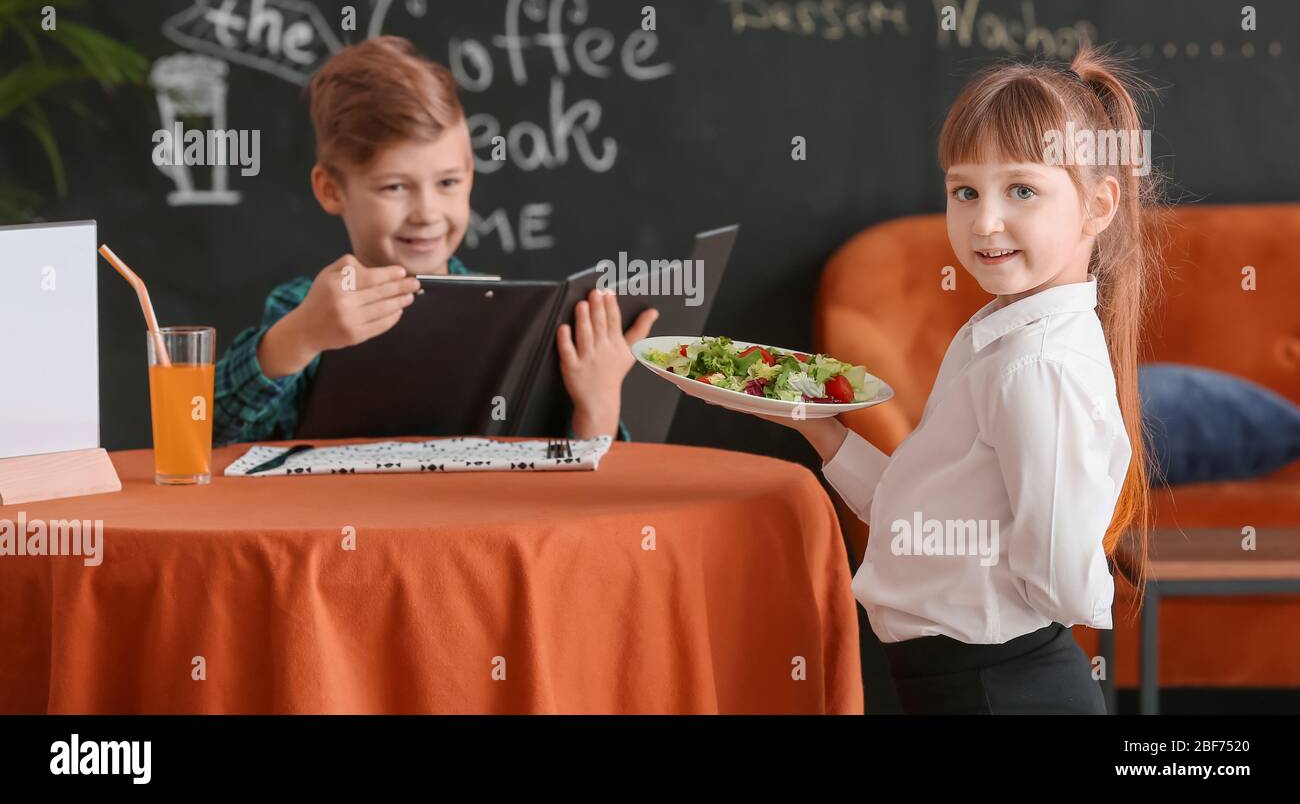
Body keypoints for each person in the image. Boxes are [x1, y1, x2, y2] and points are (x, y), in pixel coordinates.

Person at [749, 44, 1163, 713]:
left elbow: (1060, 583)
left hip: (1002, 689)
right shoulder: (999, 336)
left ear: (1097, 206)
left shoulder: (1035, 366)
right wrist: (824, 433)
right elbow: (923, 516)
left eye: (1021, 190)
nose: (985, 220)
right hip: (961, 685)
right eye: (965, 191)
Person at [212, 36, 657, 445]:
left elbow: (575, 498)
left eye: (446, 182)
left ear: (469, 178)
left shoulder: (514, 319)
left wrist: (597, 406)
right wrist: (300, 336)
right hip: (344, 531)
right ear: (331, 189)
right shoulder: (304, 310)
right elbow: (211, 430)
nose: (427, 213)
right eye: (395, 188)